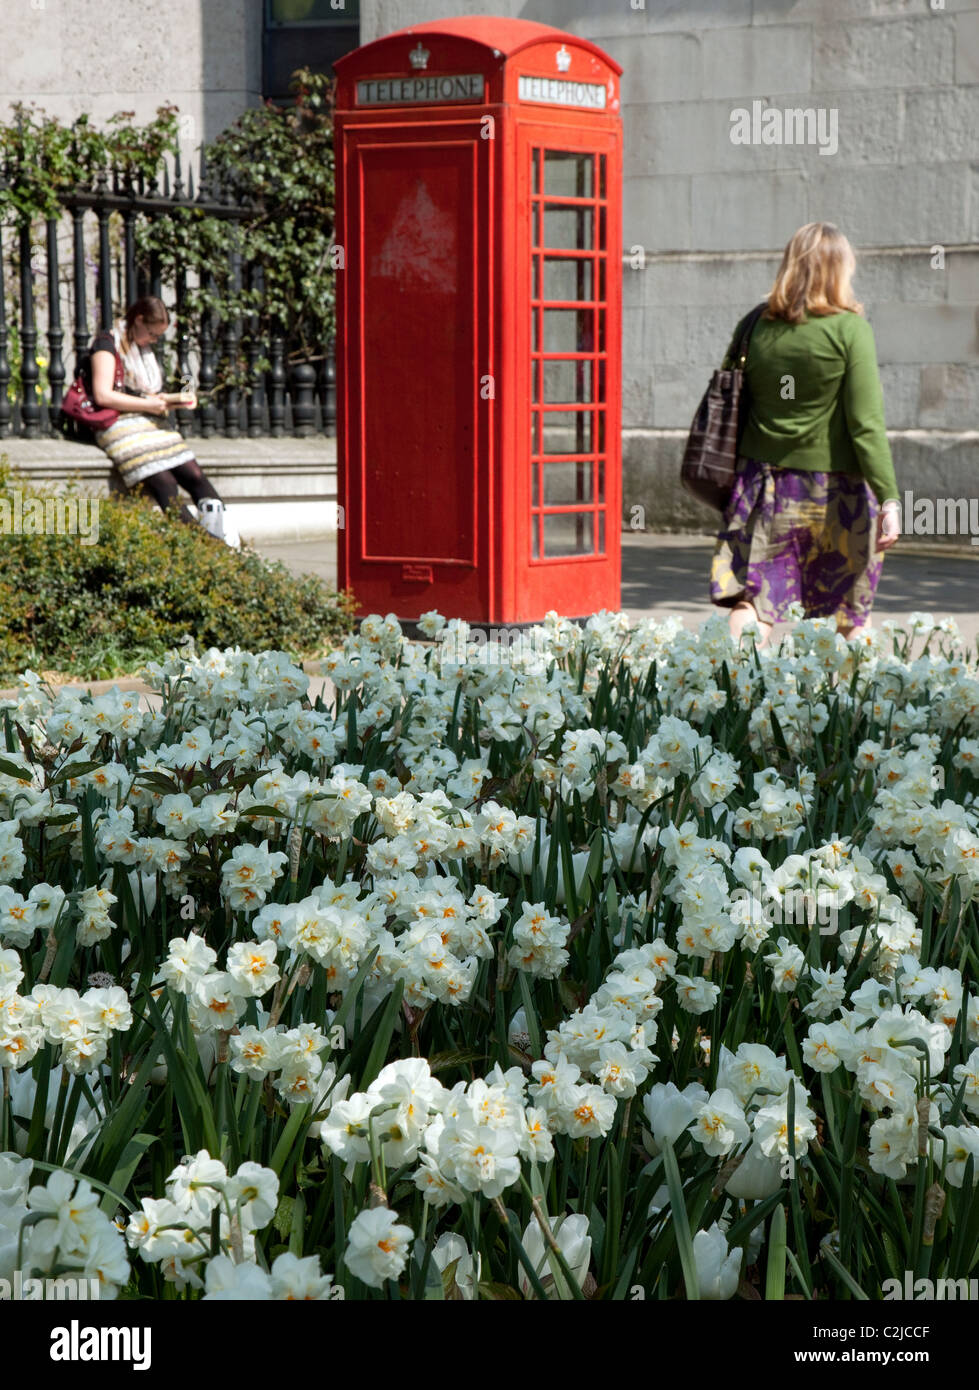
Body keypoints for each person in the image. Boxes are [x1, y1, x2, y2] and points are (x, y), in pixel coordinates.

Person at [710, 222, 900, 646]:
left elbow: (732, 393)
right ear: (839, 270)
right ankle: (852, 711)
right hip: (838, 494)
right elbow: (865, 425)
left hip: (766, 485)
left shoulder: (756, 326)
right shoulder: (850, 330)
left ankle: (735, 699)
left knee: (756, 604)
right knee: (850, 615)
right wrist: (889, 496)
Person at [86, 296, 239, 546]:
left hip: (147, 420)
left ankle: (229, 540)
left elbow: (139, 391)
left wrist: (167, 400)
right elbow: (103, 395)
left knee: (194, 474)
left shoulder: (140, 349)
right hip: (117, 423)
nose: (153, 340)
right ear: (138, 320)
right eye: (151, 333)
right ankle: (207, 547)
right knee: (165, 483)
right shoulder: (107, 344)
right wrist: (150, 404)